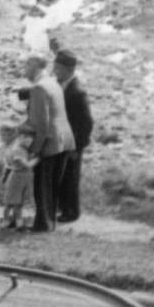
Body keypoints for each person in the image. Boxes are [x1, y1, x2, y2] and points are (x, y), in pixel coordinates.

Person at [18, 53, 74, 232]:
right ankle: (48, 224)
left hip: (50, 141)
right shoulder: (52, 82)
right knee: (52, 186)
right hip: (64, 139)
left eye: (26, 65)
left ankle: (42, 225)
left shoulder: (39, 88)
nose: (24, 69)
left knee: (42, 186)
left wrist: (35, 149)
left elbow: (42, 125)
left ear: (34, 66)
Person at [54, 48, 94, 223]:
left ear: (67, 69)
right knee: (62, 176)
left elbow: (87, 123)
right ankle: (62, 207)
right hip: (61, 140)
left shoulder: (78, 92)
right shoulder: (61, 84)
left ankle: (72, 212)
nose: (54, 70)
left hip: (73, 143)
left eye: (57, 68)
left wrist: (78, 147)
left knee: (70, 177)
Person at [0, 130, 36, 229]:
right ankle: (6, 221)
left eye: (31, 139)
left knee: (19, 203)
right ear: (20, 137)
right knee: (10, 203)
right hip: (17, 177)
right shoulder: (17, 150)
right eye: (27, 138)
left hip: (23, 177)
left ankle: (18, 223)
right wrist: (38, 158)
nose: (30, 141)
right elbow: (26, 165)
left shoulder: (25, 150)